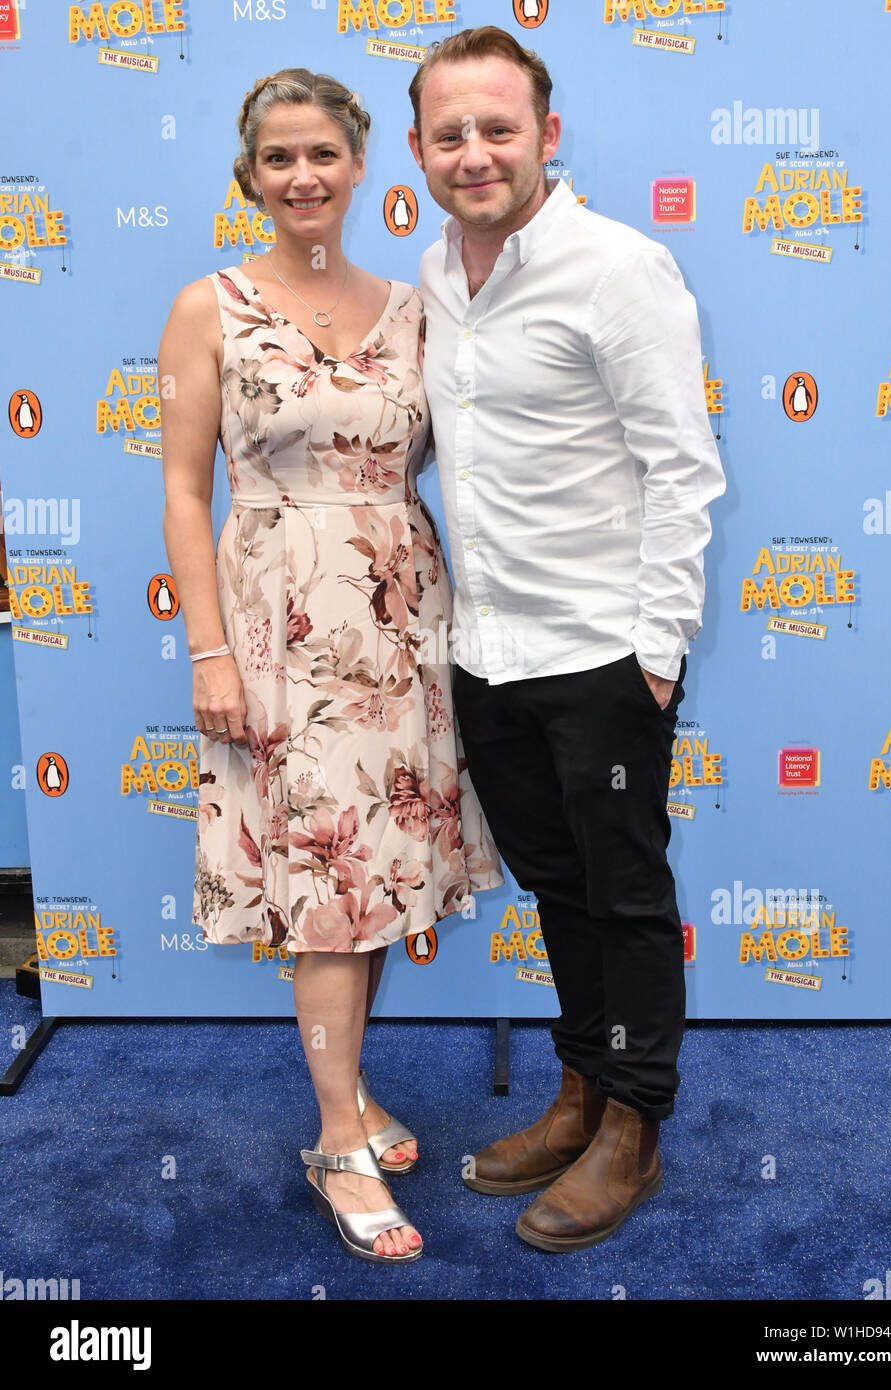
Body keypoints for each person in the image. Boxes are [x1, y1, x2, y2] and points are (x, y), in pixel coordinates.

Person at [158, 68, 503, 1265]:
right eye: (278, 158)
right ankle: (334, 1143)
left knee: (377, 885)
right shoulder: (209, 304)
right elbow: (182, 488)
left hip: (402, 625)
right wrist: (210, 650)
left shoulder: (413, 308)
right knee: (324, 894)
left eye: (323, 155)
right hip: (278, 633)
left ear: (364, 165)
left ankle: (349, 1096)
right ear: (249, 174)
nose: (302, 177)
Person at [407, 27, 726, 1252]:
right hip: (485, 655)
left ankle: (634, 1128)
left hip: (598, 653)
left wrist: (652, 653)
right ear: (424, 154)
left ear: (548, 136)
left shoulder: (616, 267)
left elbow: (680, 469)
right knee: (557, 888)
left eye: (498, 128)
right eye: (449, 134)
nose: (474, 153)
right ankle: (581, 1091)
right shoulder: (436, 277)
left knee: (626, 894)